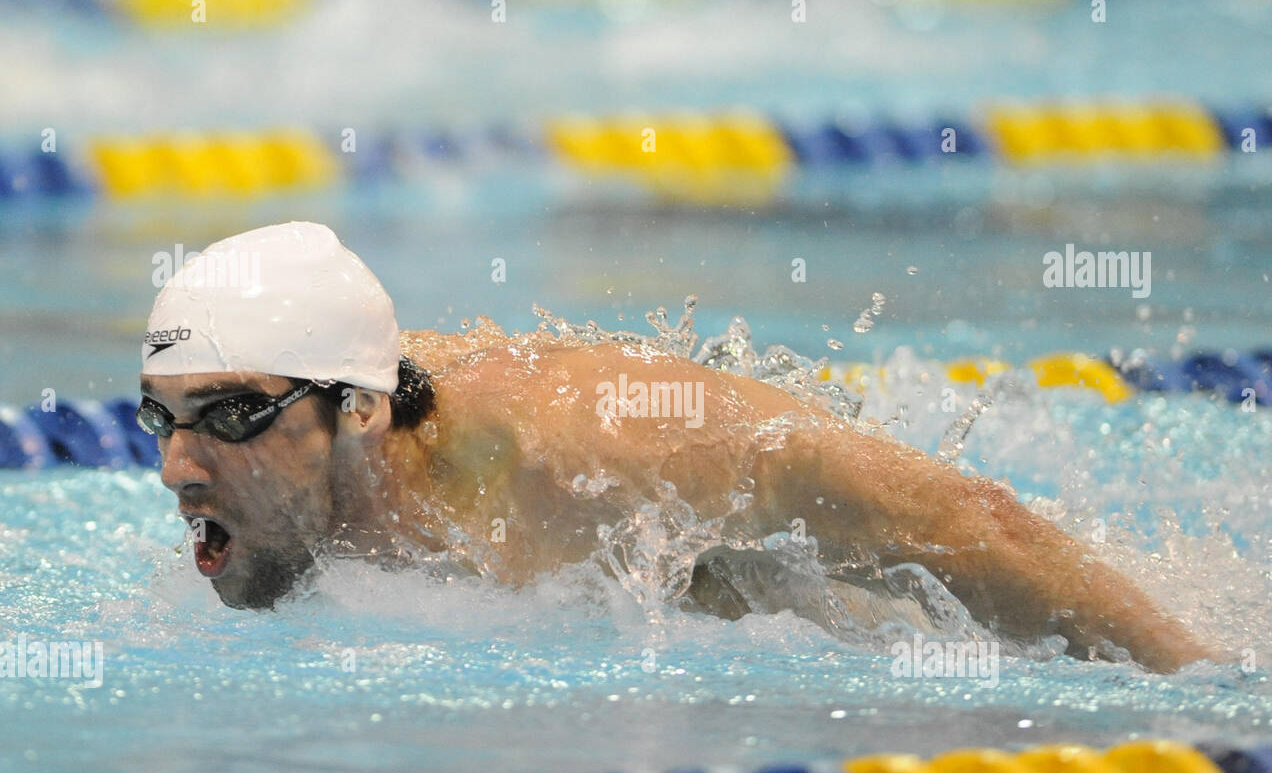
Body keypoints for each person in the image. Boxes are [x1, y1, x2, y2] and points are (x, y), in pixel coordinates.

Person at [138, 221, 1212, 672]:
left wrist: (1200, 682)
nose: (180, 469)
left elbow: (966, 522)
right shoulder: (293, 491)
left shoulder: (581, 449)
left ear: (360, 409)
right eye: (163, 417)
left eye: (230, 417)